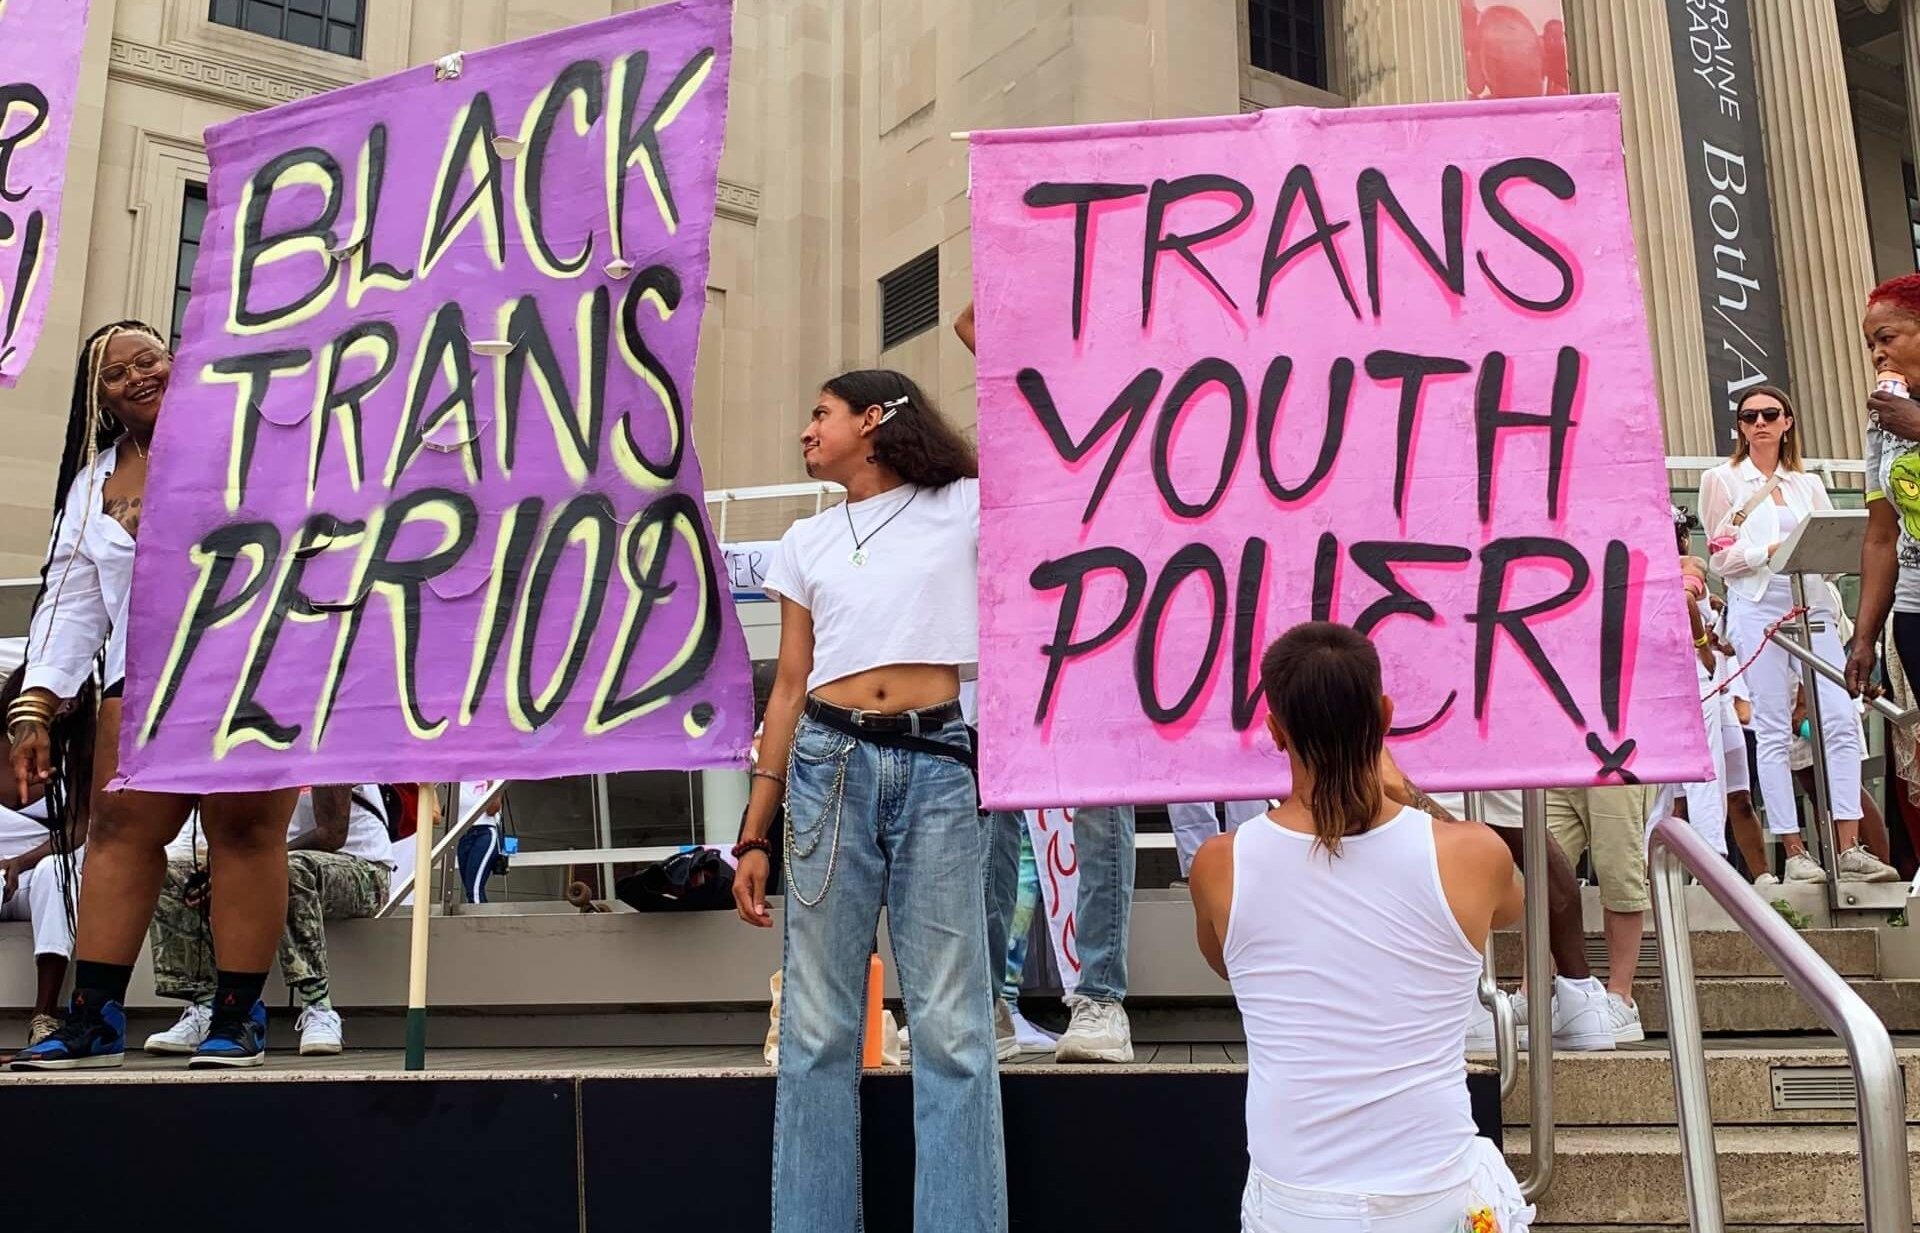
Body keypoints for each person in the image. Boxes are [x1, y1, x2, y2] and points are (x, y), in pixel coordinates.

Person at [730, 368, 1003, 1232]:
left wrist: (986, 339)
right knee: (815, 1030)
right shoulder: (802, 541)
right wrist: (752, 835)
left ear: (875, 420)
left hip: (936, 760)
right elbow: (787, 687)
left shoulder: (959, 505)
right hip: (825, 764)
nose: (807, 429)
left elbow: (1037, 447)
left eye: (822, 413)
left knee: (954, 1028)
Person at [9, 322, 302, 1071]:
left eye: (149, 358)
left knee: (243, 833)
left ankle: (238, 1019)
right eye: (115, 373)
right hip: (137, 684)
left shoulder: (257, 438)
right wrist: (35, 708)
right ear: (101, 399)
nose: (138, 375)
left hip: (251, 669)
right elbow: (71, 605)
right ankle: (94, 1018)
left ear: (177, 360)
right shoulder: (93, 484)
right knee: (115, 836)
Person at [1189, 622, 1531, 1233]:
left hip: (1295, 1205)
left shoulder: (1220, 865)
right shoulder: (1470, 854)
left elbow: (1226, 963)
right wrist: (1411, 793)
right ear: (1385, 717)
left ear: (1274, 731)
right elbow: (1516, 903)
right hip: (1439, 1195)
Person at [954, 304, 1139, 1065]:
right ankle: (990, 1003)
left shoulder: (1122, 424)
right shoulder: (1001, 453)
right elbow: (979, 316)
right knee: (988, 828)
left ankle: (1101, 1001)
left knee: (1099, 817)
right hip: (1007, 663)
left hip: (1095, 648)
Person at [1699, 385, 1897, 883]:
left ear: (1788, 421)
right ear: (1740, 426)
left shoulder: (1807, 484)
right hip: (1757, 605)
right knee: (1770, 727)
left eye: (1770, 414)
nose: (1759, 424)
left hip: (1811, 604)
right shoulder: (1721, 480)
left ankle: (1849, 844)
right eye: (1749, 417)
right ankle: (1793, 848)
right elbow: (1721, 557)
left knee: (1839, 721)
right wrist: (1774, 548)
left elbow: (1834, 544)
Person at [144, 785, 393, 1057]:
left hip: (362, 869)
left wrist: (248, 867)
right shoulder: (236, 755)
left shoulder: (325, 743)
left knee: (281, 871)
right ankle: (206, 1007)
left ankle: (318, 1006)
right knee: (171, 876)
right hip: (279, 859)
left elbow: (331, 834)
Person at [1414, 787, 1610, 1053]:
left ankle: (1460, 1005)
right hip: (1496, 747)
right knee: (1526, 832)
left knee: (1439, 832)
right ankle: (1581, 999)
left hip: (1428, 749)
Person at [0, 667, 89, 1048]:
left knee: (58, 873)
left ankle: (45, 1015)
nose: (63, 707)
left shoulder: (79, 749)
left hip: (39, 868)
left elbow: (78, 829)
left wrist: (21, 862)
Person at [455, 780, 506, 904]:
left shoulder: (493, 776)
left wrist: (490, 783)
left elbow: (492, 810)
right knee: (470, 888)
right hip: (463, 834)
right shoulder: (458, 779)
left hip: (485, 832)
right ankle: (482, 920)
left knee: (474, 889)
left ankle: (478, 922)